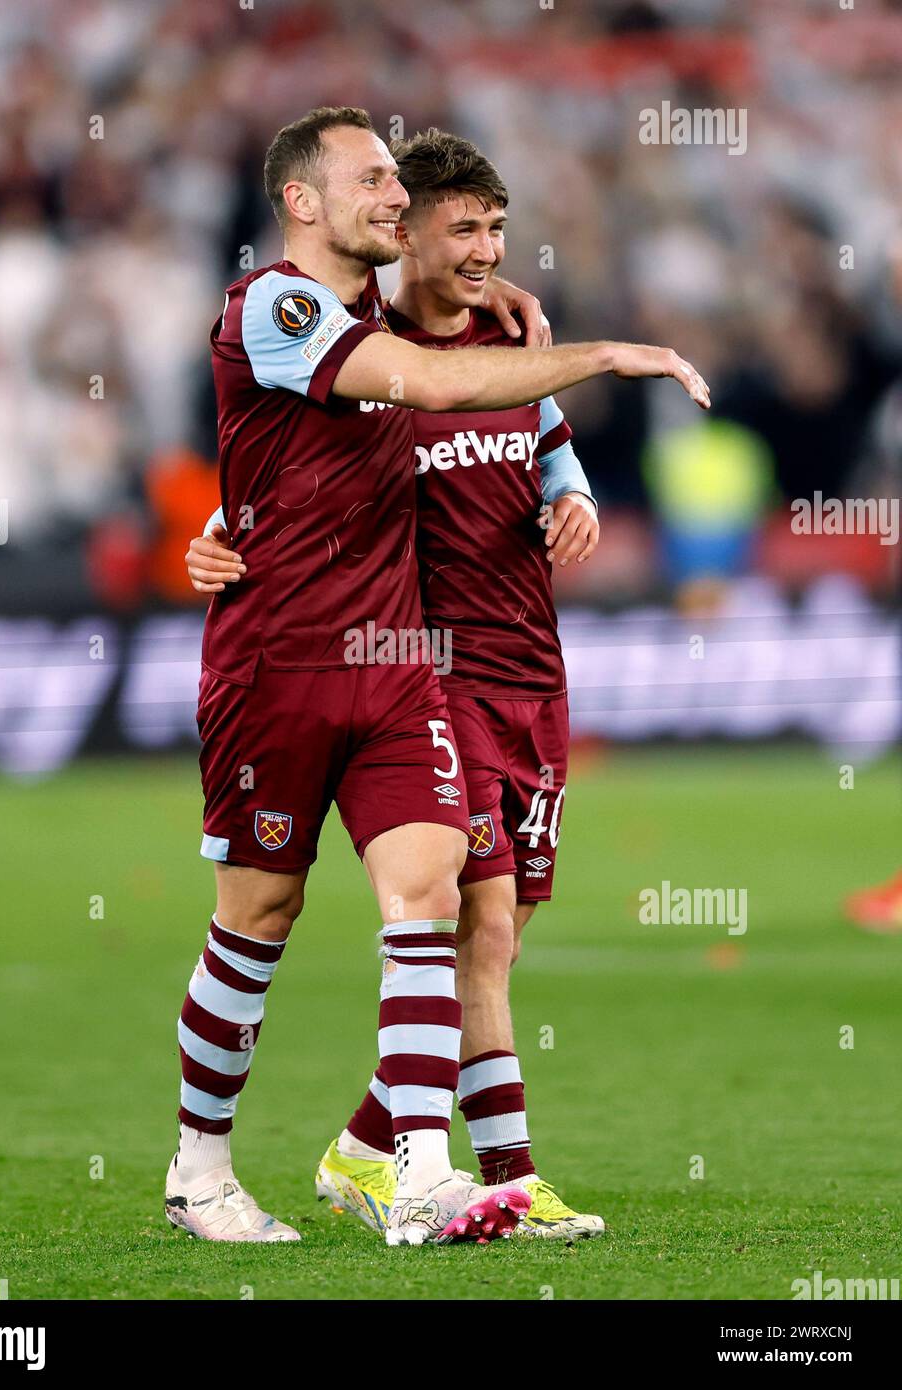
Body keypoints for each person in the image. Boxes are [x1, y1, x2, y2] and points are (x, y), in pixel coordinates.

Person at [168, 105, 710, 1248]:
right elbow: (424, 390)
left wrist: (493, 324)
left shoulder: (409, 312)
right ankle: (199, 1168)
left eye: (399, 186)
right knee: (260, 917)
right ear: (303, 202)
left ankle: (416, 1169)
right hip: (280, 667)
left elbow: (372, 423)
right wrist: (610, 351)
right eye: (372, 181)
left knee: (432, 901)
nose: (394, 199)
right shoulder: (275, 303)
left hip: (401, 669)